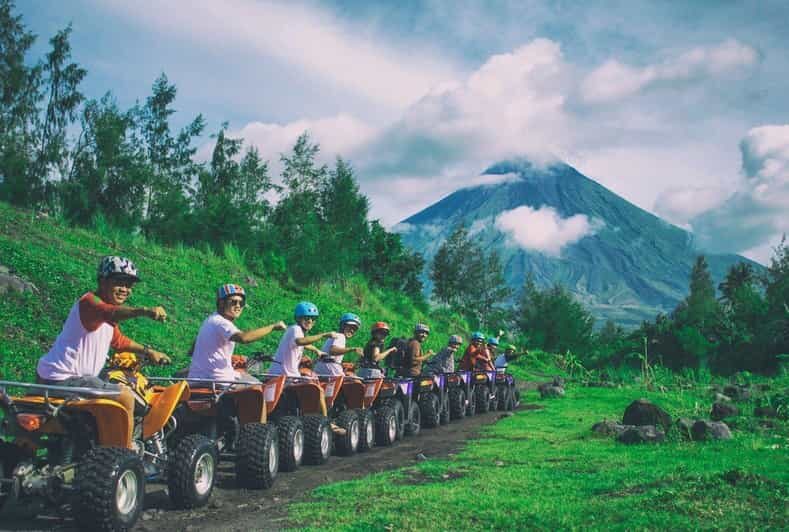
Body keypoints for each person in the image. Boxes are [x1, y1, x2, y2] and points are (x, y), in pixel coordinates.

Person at [36, 256, 171, 446]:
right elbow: (111, 313)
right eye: (119, 283)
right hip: (65, 379)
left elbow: (118, 340)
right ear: (102, 281)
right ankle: (124, 453)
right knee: (125, 396)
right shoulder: (90, 303)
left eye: (129, 285)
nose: (125, 289)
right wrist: (145, 311)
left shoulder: (103, 314)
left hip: (52, 376)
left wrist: (149, 351)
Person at [269, 301, 345, 434]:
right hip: (287, 376)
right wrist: (323, 335)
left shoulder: (295, 331)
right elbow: (301, 341)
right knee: (318, 389)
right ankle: (326, 422)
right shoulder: (295, 329)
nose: (309, 321)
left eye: (312, 319)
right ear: (298, 318)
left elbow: (302, 343)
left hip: (283, 374)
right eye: (306, 318)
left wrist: (316, 350)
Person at [187, 284, 286, 384]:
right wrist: (273, 327)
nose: (238, 306)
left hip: (200, 377)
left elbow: (192, 350)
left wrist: (225, 358)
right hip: (218, 380)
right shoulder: (221, 322)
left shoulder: (210, 320)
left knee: (242, 374)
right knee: (260, 387)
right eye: (234, 302)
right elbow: (244, 338)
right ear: (221, 303)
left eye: (241, 303)